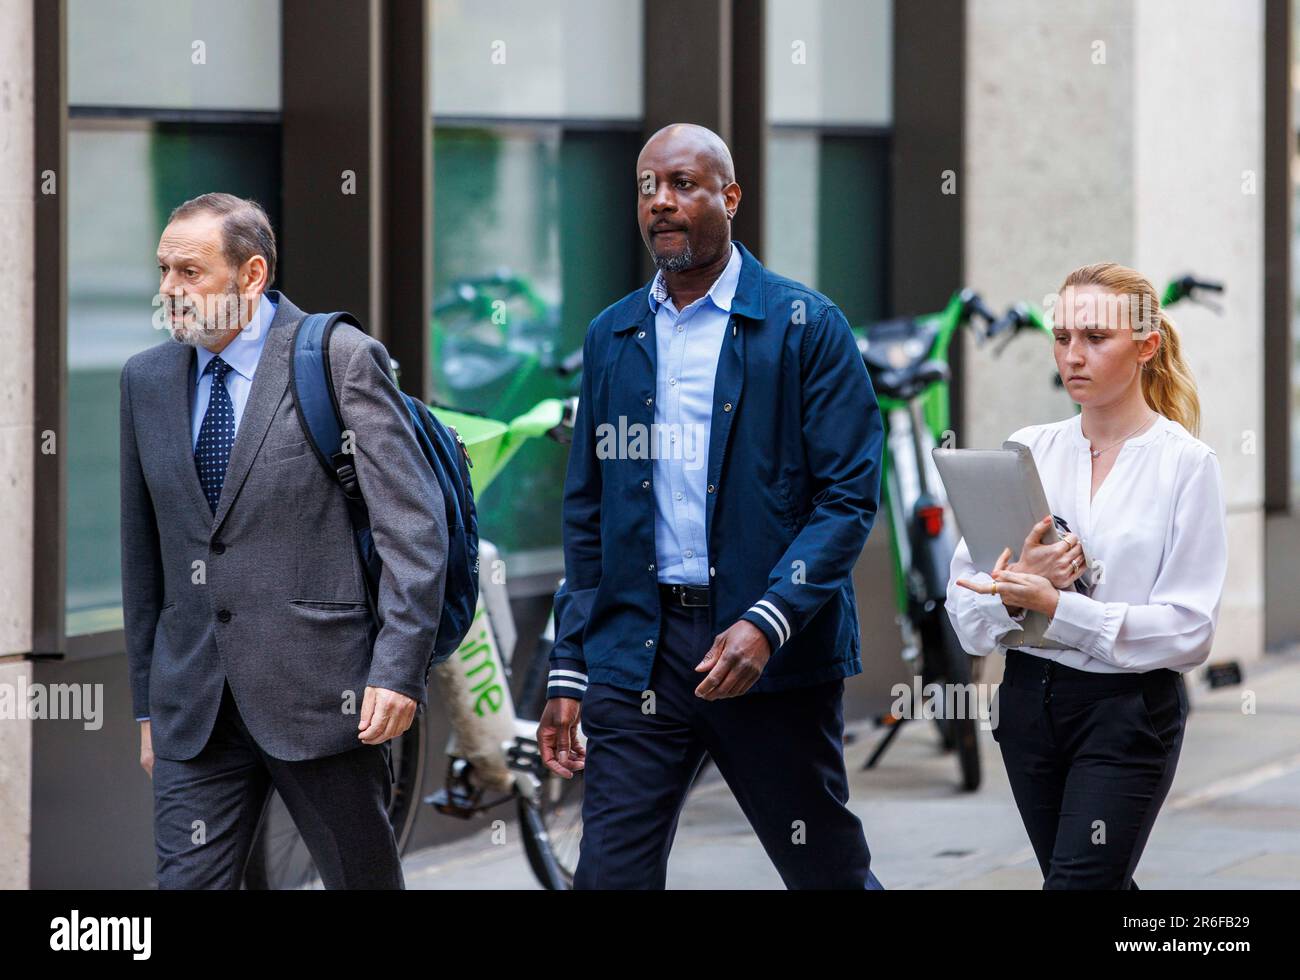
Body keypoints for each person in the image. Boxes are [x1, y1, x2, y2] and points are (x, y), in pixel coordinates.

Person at [536, 123, 886, 889]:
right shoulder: (614, 335)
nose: (660, 201)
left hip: (769, 651)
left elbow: (849, 495)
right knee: (608, 878)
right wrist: (568, 668)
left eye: (683, 184)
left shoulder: (805, 326)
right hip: (640, 654)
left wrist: (769, 620)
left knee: (824, 869)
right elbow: (588, 512)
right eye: (646, 186)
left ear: (730, 197)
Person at [120, 192, 448, 888]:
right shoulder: (144, 382)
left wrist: (397, 669)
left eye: (189, 272)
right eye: (163, 271)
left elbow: (413, 528)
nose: (169, 291)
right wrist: (149, 705)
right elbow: (144, 557)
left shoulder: (339, 360)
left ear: (251, 275)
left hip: (325, 698)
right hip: (195, 708)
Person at [946, 262, 1228, 889]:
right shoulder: (1028, 448)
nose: (1074, 355)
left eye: (1096, 338)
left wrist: (1057, 605)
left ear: (1146, 345)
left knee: (1077, 885)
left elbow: (1190, 631)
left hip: (1124, 713)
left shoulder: (1185, 465)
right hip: (1025, 706)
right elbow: (965, 614)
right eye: (1063, 336)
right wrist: (1020, 589)